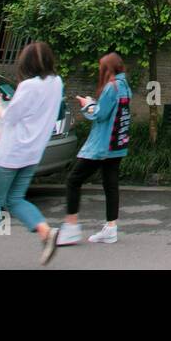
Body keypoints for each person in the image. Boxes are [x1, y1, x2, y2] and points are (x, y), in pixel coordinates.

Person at [0, 41, 64, 270]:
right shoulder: (57, 82)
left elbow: (9, 117)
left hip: (11, 153)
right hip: (33, 153)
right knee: (15, 199)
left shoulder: (29, 86)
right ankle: (46, 232)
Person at [57, 52, 131, 246]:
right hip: (118, 144)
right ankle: (111, 228)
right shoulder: (125, 87)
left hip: (102, 146)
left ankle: (71, 227)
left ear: (107, 69)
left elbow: (99, 115)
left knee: (73, 180)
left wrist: (87, 104)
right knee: (110, 185)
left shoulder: (111, 87)